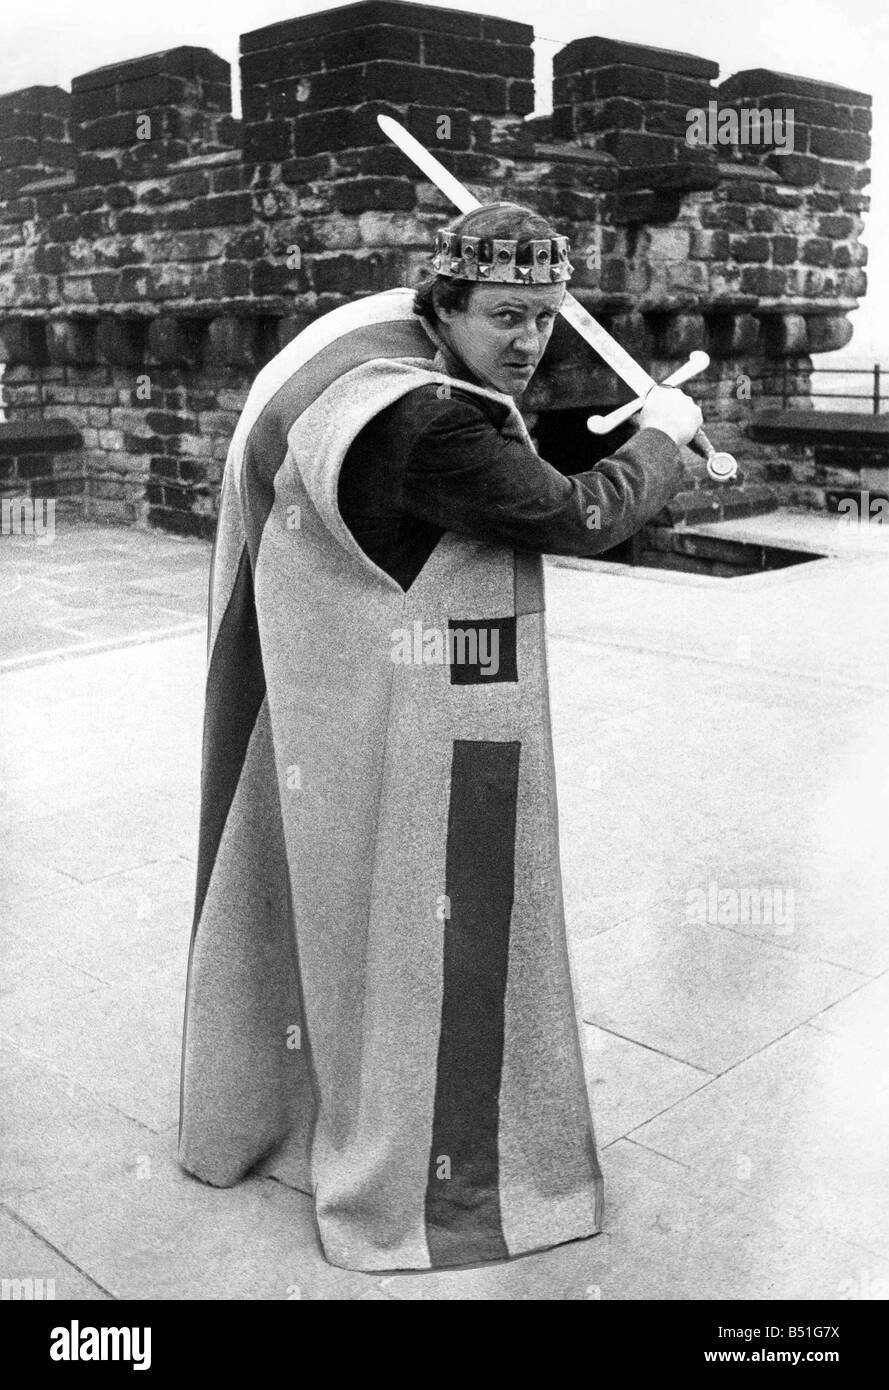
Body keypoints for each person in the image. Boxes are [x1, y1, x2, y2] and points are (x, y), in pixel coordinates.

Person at [178, 202, 702, 1274]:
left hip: (353, 702)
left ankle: (304, 1103)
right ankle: (441, 1188)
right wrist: (667, 441)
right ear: (445, 305)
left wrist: (622, 434)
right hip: (430, 724)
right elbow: (573, 512)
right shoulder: (425, 425)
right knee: (439, 940)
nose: (529, 343)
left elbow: (510, 451)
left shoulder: (385, 358)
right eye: (505, 316)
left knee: (359, 922)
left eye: (548, 319)